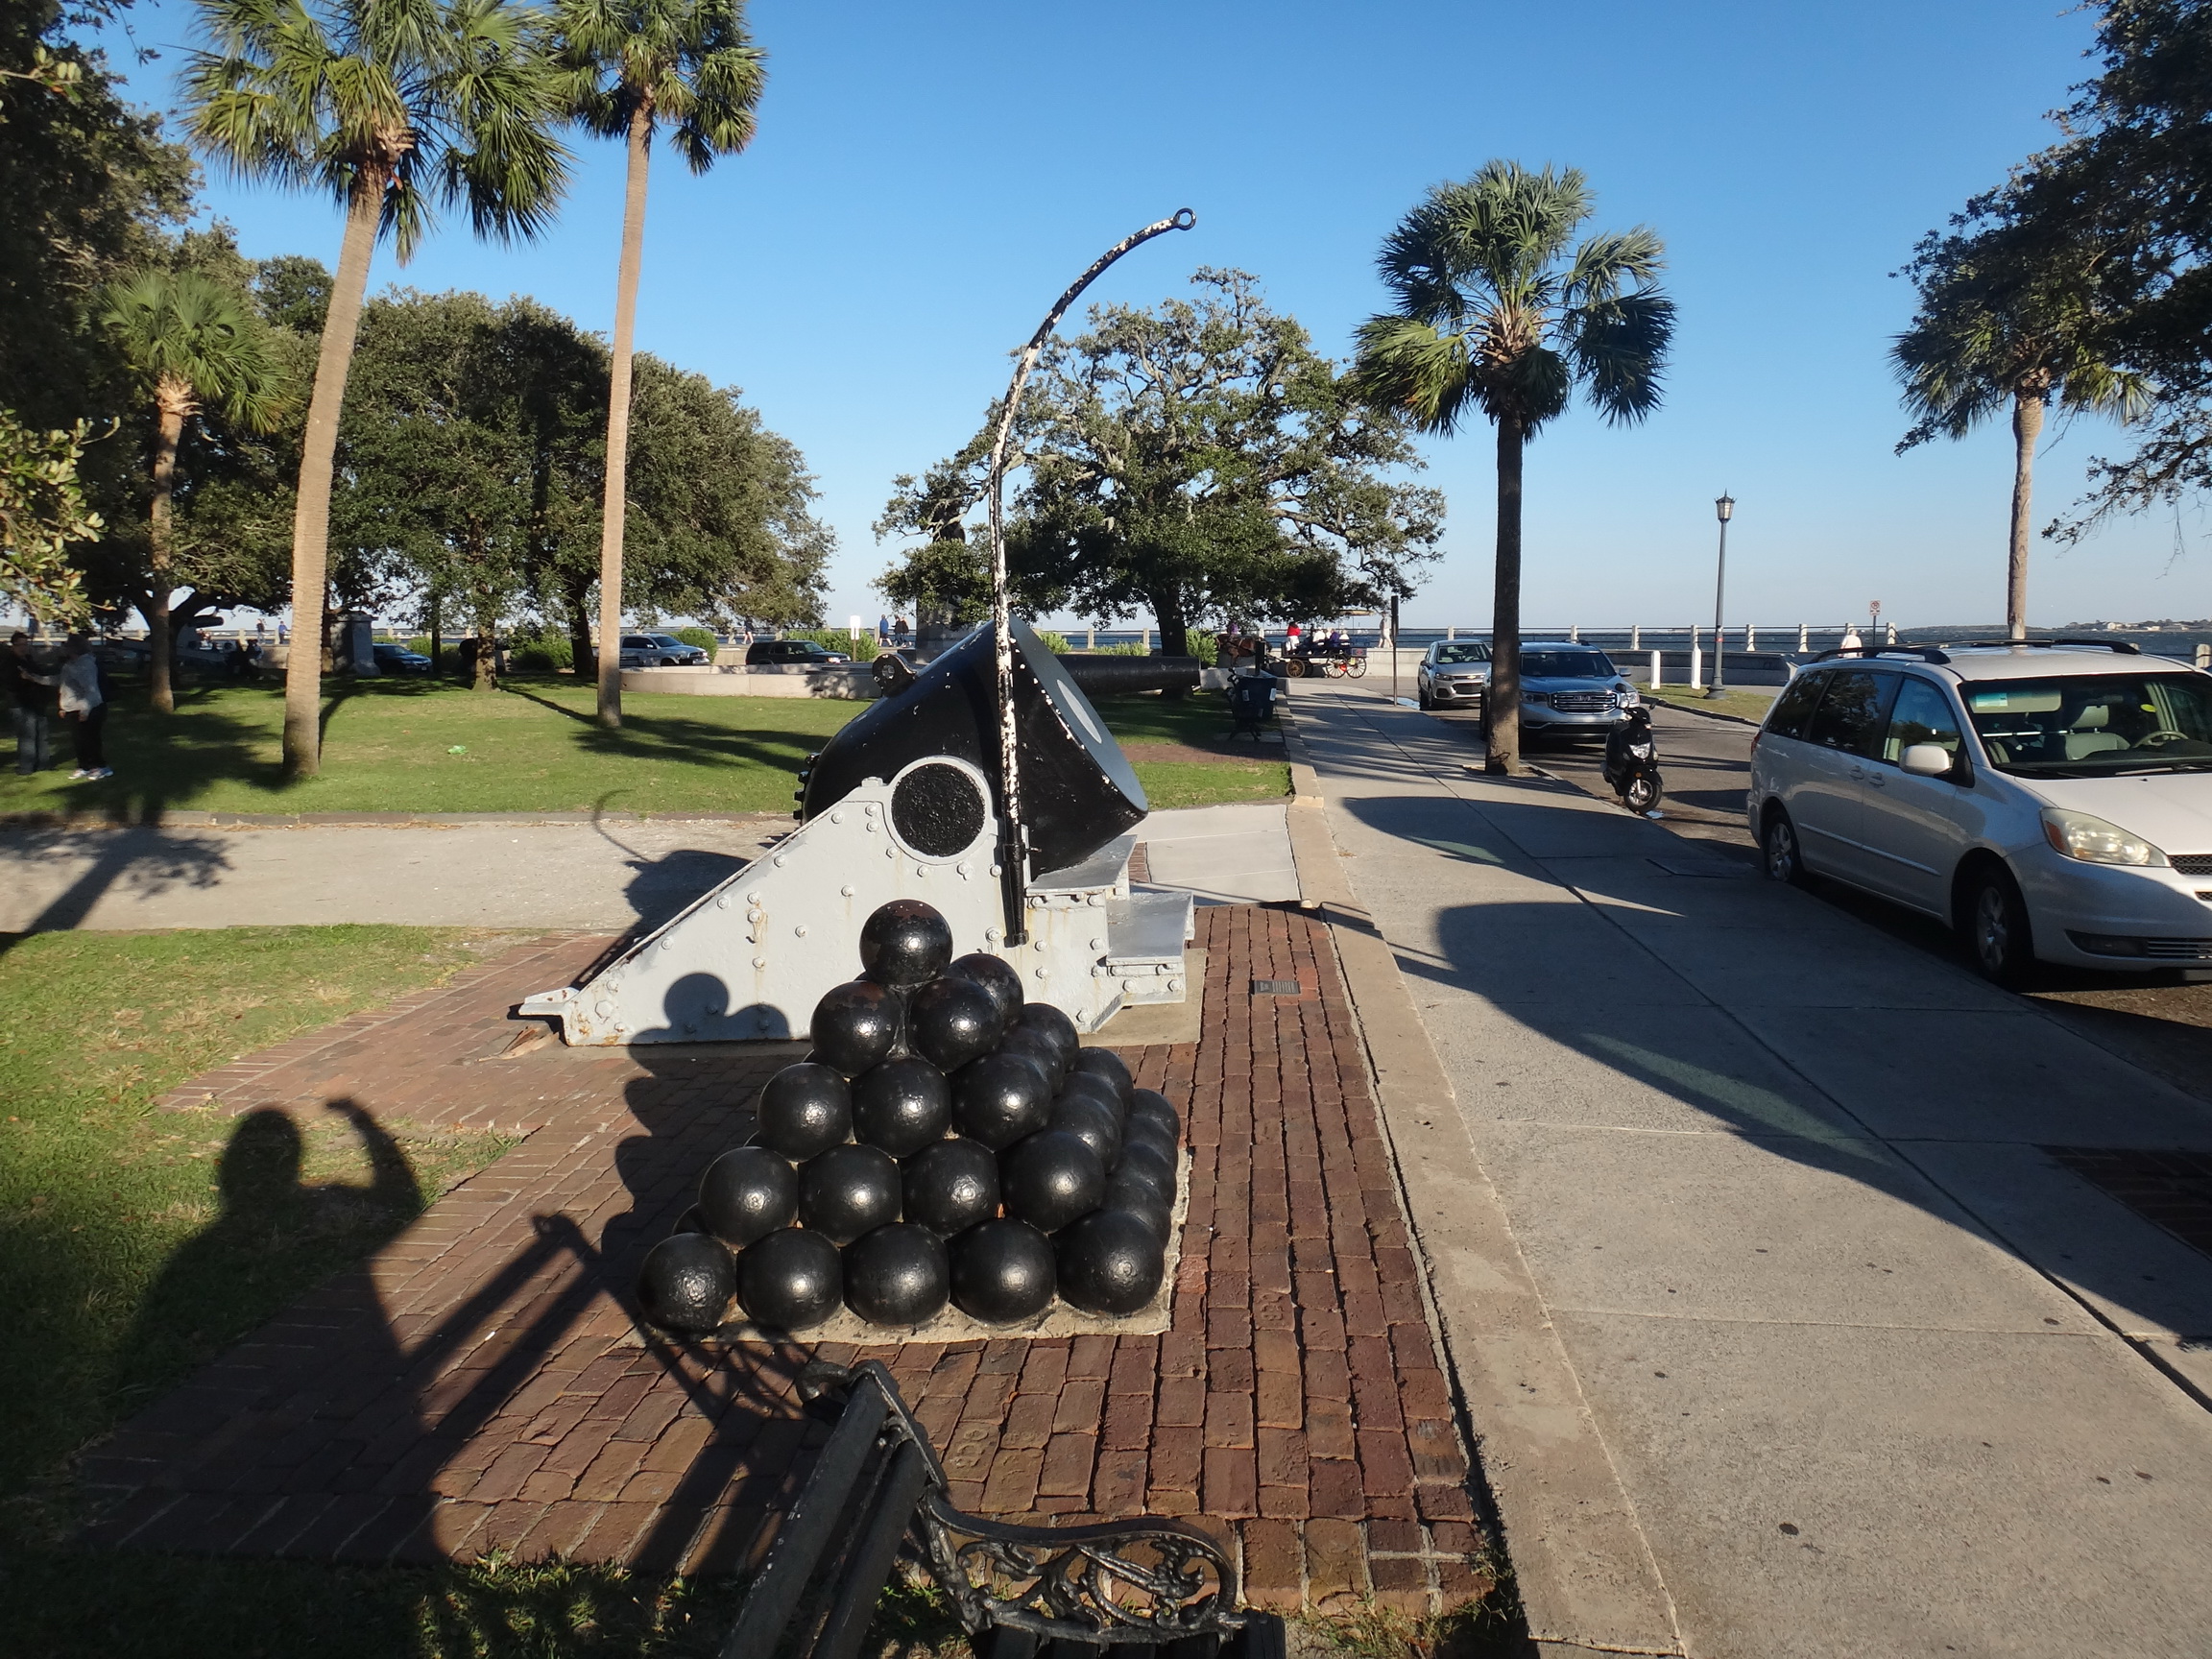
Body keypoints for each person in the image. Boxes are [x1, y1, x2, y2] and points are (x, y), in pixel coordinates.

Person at [58, 633, 110, 781]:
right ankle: (84, 766)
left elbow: (91, 690)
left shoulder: (86, 665)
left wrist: (85, 710)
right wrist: (36, 678)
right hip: (72, 707)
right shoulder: (69, 665)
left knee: (91, 739)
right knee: (78, 740)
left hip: (90, 707)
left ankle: (100, 766)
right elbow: (64, 684)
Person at [6, 631, 57, 774]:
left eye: (25, 644)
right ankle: (26, 766)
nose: (23, 648)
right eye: (19, 645)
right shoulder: (9, 663)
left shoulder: (29, 660)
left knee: (42, 734)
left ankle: (43, 762)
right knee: (27, 736)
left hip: (37, 701)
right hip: (21, 703)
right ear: (13, 646)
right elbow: (10, 684)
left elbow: (39, 675)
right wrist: (24, 679)